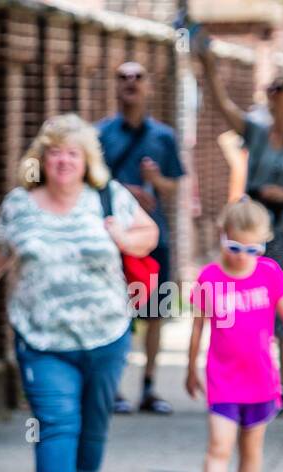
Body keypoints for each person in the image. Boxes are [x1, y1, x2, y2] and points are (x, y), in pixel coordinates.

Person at [0, 113, 158, 472]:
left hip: (106, 334)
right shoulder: (19, 205)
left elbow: (149, 234)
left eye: (73, 153)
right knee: (56, 422)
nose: (64, 161)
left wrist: (125, 239)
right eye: (55, 153)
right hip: (42, 338)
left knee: (94, 422)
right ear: (42, 159)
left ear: (86, 159)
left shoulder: (108, 198)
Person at [196, 36, 283, 415]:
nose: (271, 95)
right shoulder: (256, 130)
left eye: (277, 89)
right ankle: (247, 377)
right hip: (251, 224)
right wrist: (207, 66)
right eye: (268, 89)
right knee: (244, 300)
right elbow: (224, 108)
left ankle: (282, 384)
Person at [186, 200, 283, 472]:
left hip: (260, 380)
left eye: (253, 248)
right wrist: (191, 367)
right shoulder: (210, 277)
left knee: (251, 450)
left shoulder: (268, 273)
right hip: (222, 378)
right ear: (223, 237)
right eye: (235, 246)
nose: (243, 255)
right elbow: (197, 328)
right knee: (219, 446)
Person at [98, 60, 187, 415]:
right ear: (115, 86)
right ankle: (115, 387)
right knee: (117, 312)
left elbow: (174, 185)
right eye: (123, 77)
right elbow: (92, 184)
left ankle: (149, 386)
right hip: (115, 240)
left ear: (149, 85)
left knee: (155, 311)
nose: (131, 83)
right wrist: (126, 189)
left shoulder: (164, 136)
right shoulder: (100, 135)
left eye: (138, 77)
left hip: (155, 237)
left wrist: (157, 181)